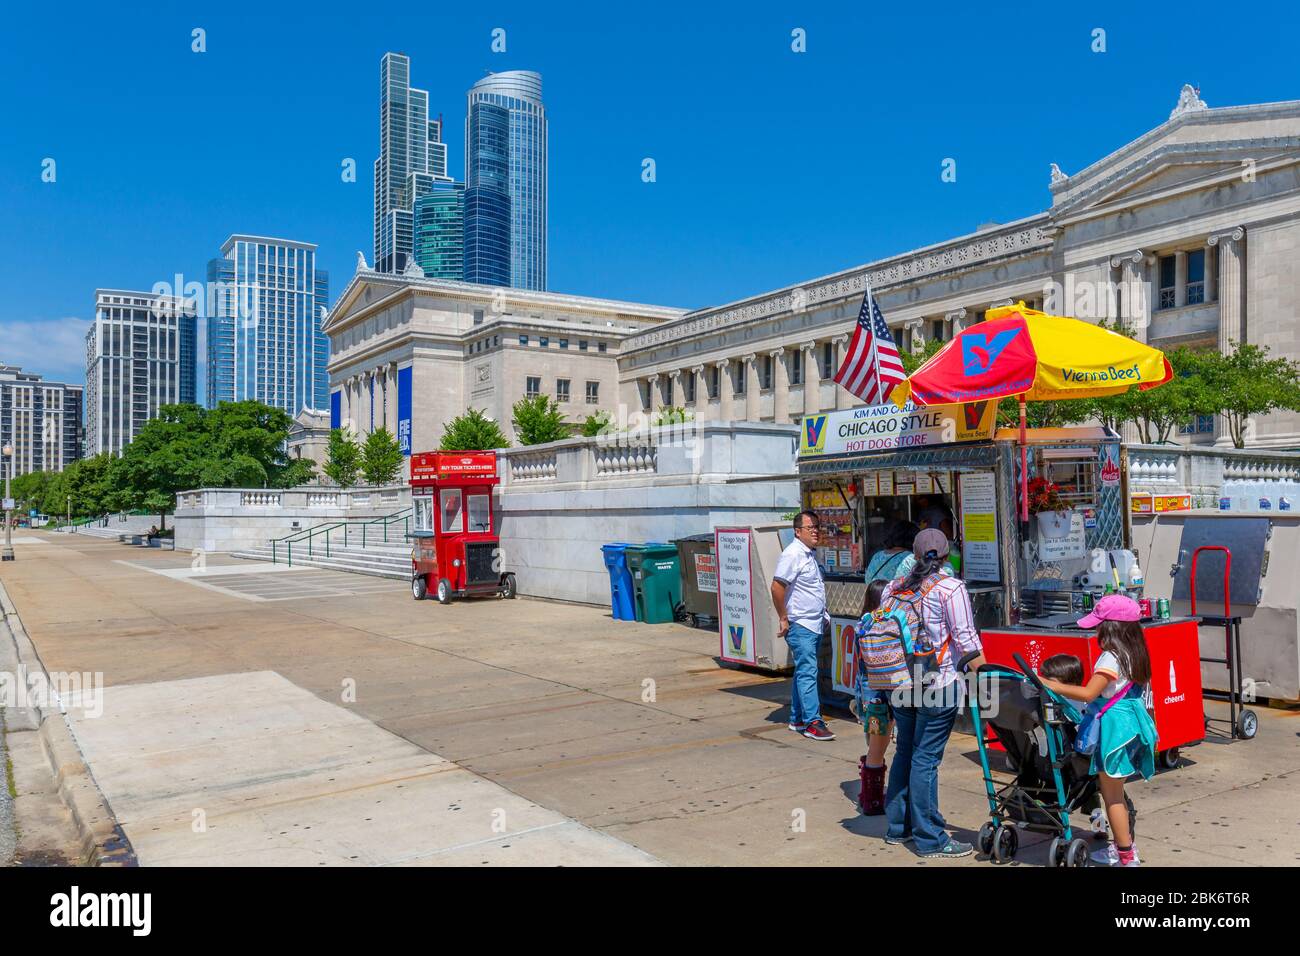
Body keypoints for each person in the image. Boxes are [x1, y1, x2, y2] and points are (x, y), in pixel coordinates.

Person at [881, 528, 985, 858]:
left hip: (899, 683)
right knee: (926, 759)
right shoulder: (950, 588)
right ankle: (931, 839)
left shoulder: (892, 588)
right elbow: (967, 643)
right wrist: (993, 680)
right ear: (945, 555)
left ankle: (899, 827)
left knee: (905, 753)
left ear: (913, 554)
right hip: (937, 684)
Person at [1039, 595, 1158, 868]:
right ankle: (1122, 848)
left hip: (1115, 729)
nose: (1096, 631)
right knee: (1117, 792)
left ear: (1112, 628)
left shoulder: (1110, 657)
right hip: (1131, 724)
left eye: (1099, 625)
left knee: (1112, 796)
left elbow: (1088, 693)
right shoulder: (1135, 652)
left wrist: (1050, 684)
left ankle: (1126, 857)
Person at [771, 511, 834, 741]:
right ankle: (812, 722)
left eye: (818, 526)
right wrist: (783, 617)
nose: (816, 531)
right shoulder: (793, 554)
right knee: (808, 672)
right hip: (801, 624)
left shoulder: (808, 555)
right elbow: (777, 587)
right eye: (811, 527)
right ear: (798, 531)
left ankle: (797, 718)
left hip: (813, 622)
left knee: (804, 671)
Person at [857, 578, 892, 814]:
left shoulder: (862, 624)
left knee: (874, 742)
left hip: (868, 691)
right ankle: (872, 798)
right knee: (878, 746)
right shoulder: (881, 625)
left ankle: (868, 793)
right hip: (881, 691)